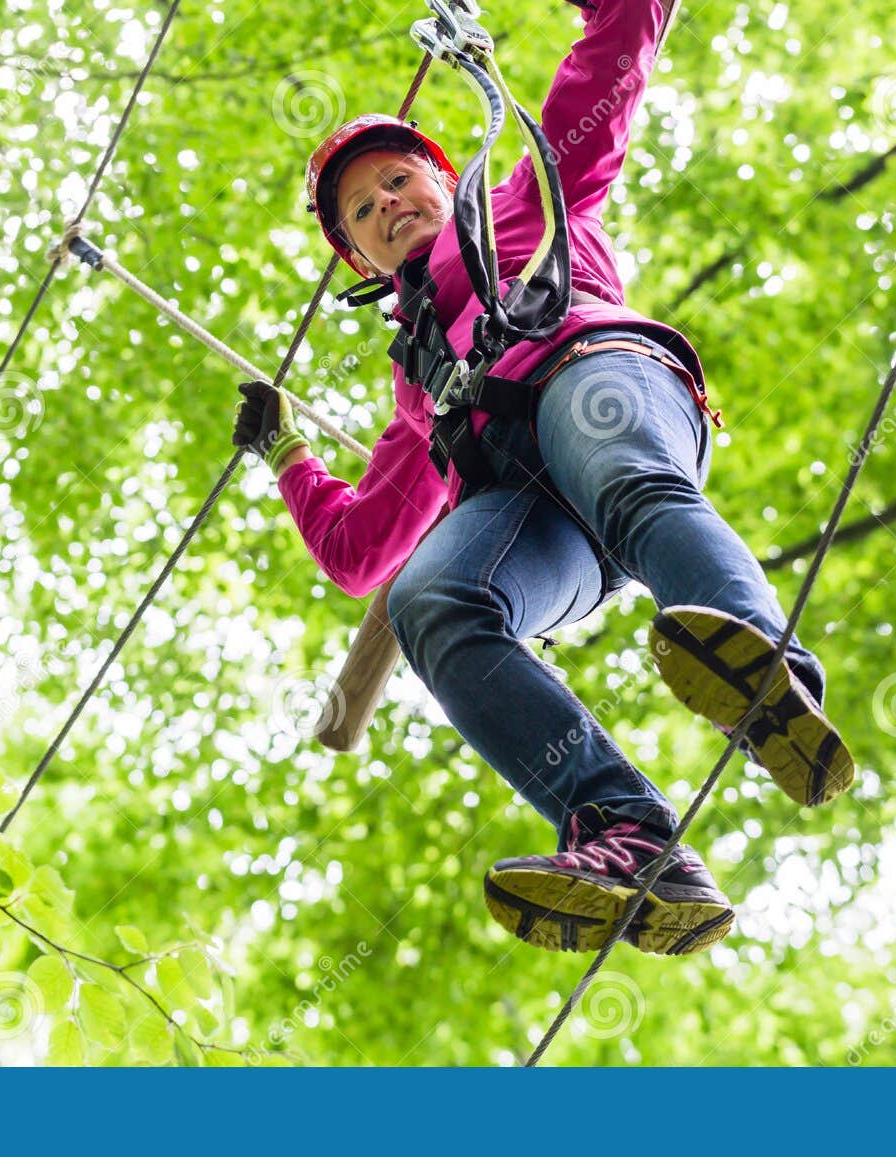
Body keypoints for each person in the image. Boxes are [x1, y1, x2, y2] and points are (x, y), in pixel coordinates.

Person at [234, 0, 853, 957]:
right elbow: (360, 552)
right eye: (364, 209)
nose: (388, 204)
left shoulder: (528, 196)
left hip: (601, 384)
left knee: (619, 468)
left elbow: (623, 33)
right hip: (537, 517)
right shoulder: (416, 387)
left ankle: (769, 668)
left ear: (444, 180)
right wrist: (287, 458)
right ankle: (629, 836)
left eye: (399, 181)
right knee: (432, 600)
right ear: (358, 259)